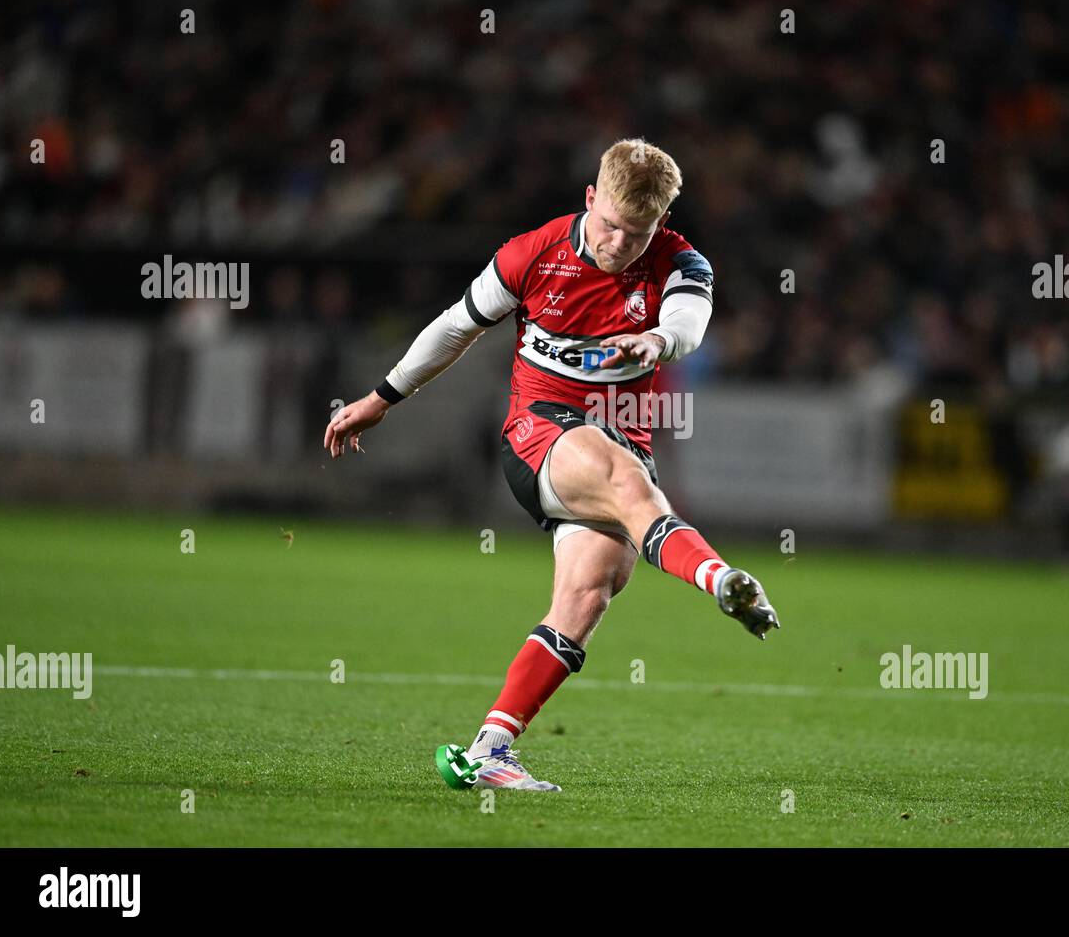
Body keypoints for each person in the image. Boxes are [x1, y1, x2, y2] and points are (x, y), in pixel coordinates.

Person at [324, 139, 779, 792]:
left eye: (638, 232)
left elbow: (689, 325)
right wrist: (380, 398)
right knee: (625, 481)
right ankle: (722, 580)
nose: (621, 243)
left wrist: (654, 338)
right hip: (540, 434)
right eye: (611, 225)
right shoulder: (534, 252)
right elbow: (458, 325)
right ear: (591, 198)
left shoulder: (681, 263)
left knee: (590, 592)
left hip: (621, 442)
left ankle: (489, 749)